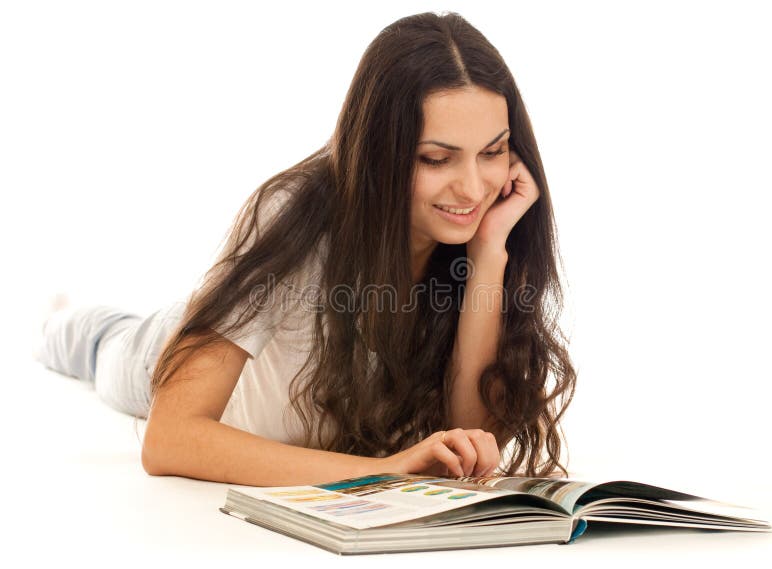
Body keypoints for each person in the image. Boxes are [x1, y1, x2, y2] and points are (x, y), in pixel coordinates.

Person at [34, 11, 577, 487]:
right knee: (102, 341)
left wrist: (487, 256)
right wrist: (385, 471)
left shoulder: (480, 237)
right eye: (436, 159)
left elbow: (471, 433)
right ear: (379, 155)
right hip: (157, 350)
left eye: (493, 152)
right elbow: (170, 439)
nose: (475, 187)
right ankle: (58, 319)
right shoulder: (291, 218)